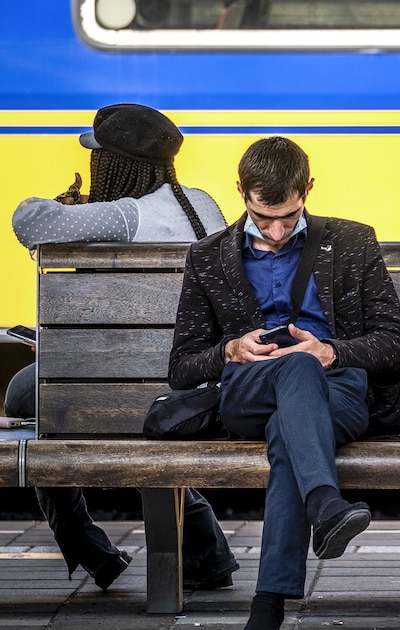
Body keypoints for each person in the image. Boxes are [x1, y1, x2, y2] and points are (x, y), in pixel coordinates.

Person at [167, 136, 400, 630]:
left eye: (289, 214)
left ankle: (268, 606)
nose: (278, 231)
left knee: (294, 416)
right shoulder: (208, 256)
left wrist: (331, 350)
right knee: (294, 369)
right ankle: (325, 503)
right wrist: (229, 349)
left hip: (338, 389)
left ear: (308, 189)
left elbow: (393, 342)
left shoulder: (352, 242)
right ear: (240, 190)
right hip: (248, 391)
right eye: (264, 219)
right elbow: (181, 366)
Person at [6, 103, 237, 592]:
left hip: (123, 381)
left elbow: (29, 220)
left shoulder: (125, 216)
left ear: (113, 166)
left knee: (29, 396)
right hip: (190, 376)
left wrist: (72, 206)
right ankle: (206, 553)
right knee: (119, 415)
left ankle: (89, 548)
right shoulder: (202, 204)